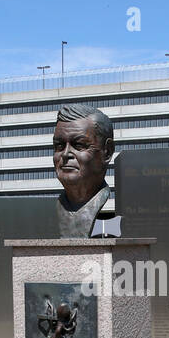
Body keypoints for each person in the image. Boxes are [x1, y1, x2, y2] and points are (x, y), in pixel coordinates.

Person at [52, 102, 114, 237]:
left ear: (107, 152)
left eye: (79, 145)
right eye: (59, 145)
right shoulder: (46, 216)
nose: (65, 154)